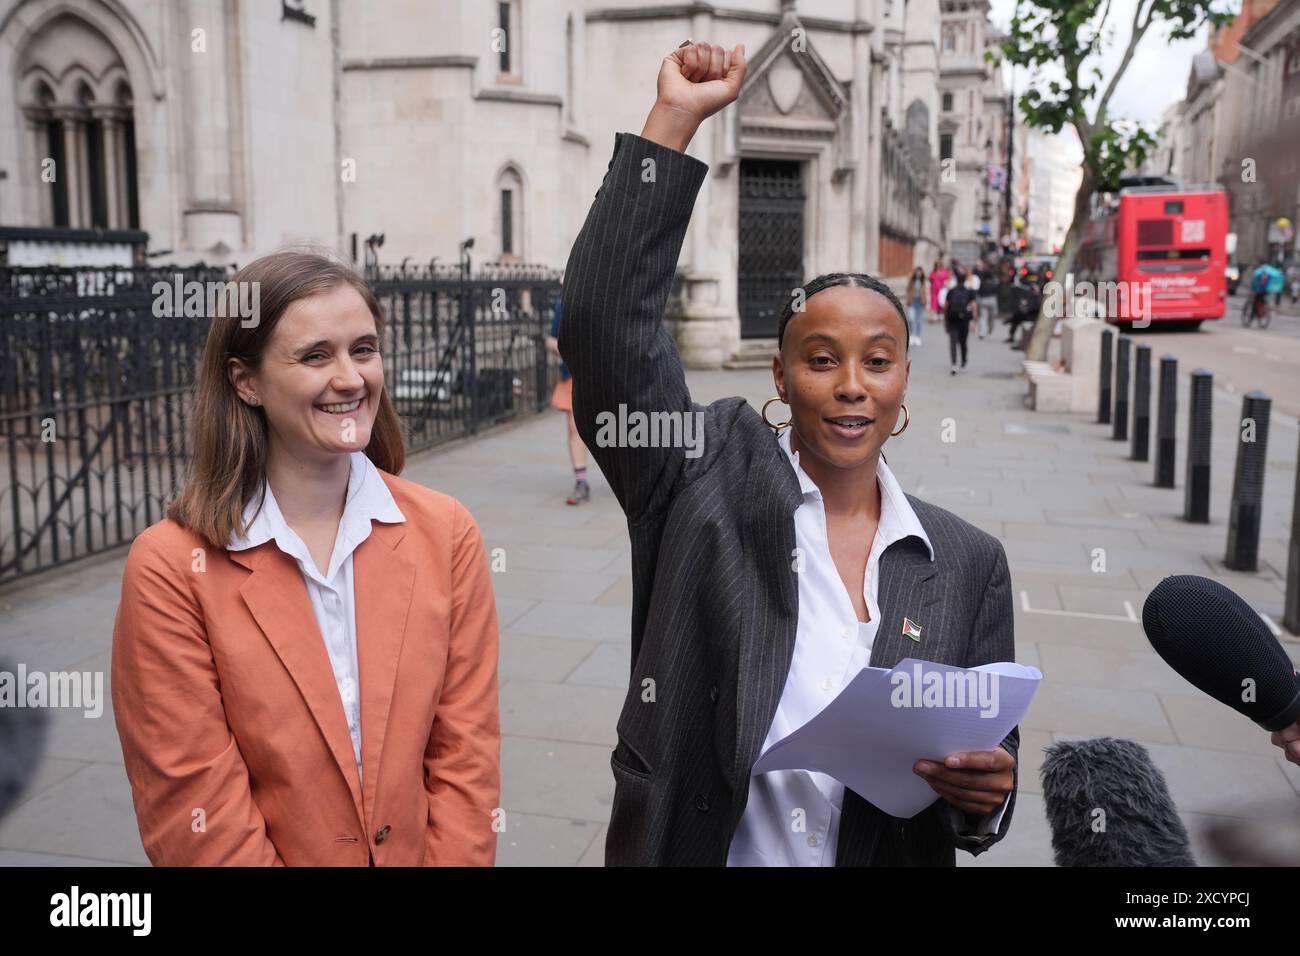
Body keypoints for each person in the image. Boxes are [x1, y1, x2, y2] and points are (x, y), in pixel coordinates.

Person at [559, 39, 1018, 866]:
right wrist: (674, 121)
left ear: (904, 378)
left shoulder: (967, 562)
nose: (851, 385)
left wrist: (988, 797)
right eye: (819, 359)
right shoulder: (701, 482)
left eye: (877, 361)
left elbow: (983, 769)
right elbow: (603, 326)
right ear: (780, 373)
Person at [111, 250, 501, 866]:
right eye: (316, 356)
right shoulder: (170, 568)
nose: (350, 378)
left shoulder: (445, 533)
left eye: (364, 349)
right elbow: (193, 805)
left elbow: (466, 757)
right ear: (246, 381)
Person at [545, 297, 590, 504]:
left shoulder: (613, 297)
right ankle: (581, 482)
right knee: (575, 428)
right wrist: (570, 350)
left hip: (610, 375)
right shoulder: (565, 303)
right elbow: (551, 339)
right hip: (574, 374)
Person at [944, 267, 978, 374]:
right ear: (965, 280)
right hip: (964, 320)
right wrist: (974, 320)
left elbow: (946, 306)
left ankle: (954, 364)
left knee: (953, 342)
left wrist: (946, 319)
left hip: (952, 318)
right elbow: (973, 306)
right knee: (963, 341)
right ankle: (963, 361)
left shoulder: (951, 291)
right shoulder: (969, 292)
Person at [976, 258, 999, 340]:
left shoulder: (981, 283)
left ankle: (982, 332)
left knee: (983, 317)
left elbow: (978, 292)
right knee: (992, 317)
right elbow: (997, 292)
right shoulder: (994, 283)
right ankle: (990, 330)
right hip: (992, 300)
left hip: (983, 300)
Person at [904, 266, 927, 346]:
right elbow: (907, 289)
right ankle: (912, 335)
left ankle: (917, 336)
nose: (918, 273)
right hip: (912, 301)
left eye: (920, 272)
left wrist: (927, 302)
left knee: (919, 320)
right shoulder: (912, 280)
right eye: (917, 272)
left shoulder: (924, 281)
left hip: (920, 302)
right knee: (910, 318)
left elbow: (927, 292)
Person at [928, 258, 950, 323]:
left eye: (939, 264)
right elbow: (930, 279)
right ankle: (933, 316)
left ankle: (941, 315)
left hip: (942, 290)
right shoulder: (933, 272)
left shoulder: (944, 272)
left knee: (941, 302)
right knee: (934, 302)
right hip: (934, 290)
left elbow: (948, 279)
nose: (938, 266)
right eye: (937, 264)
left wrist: (946, 284)